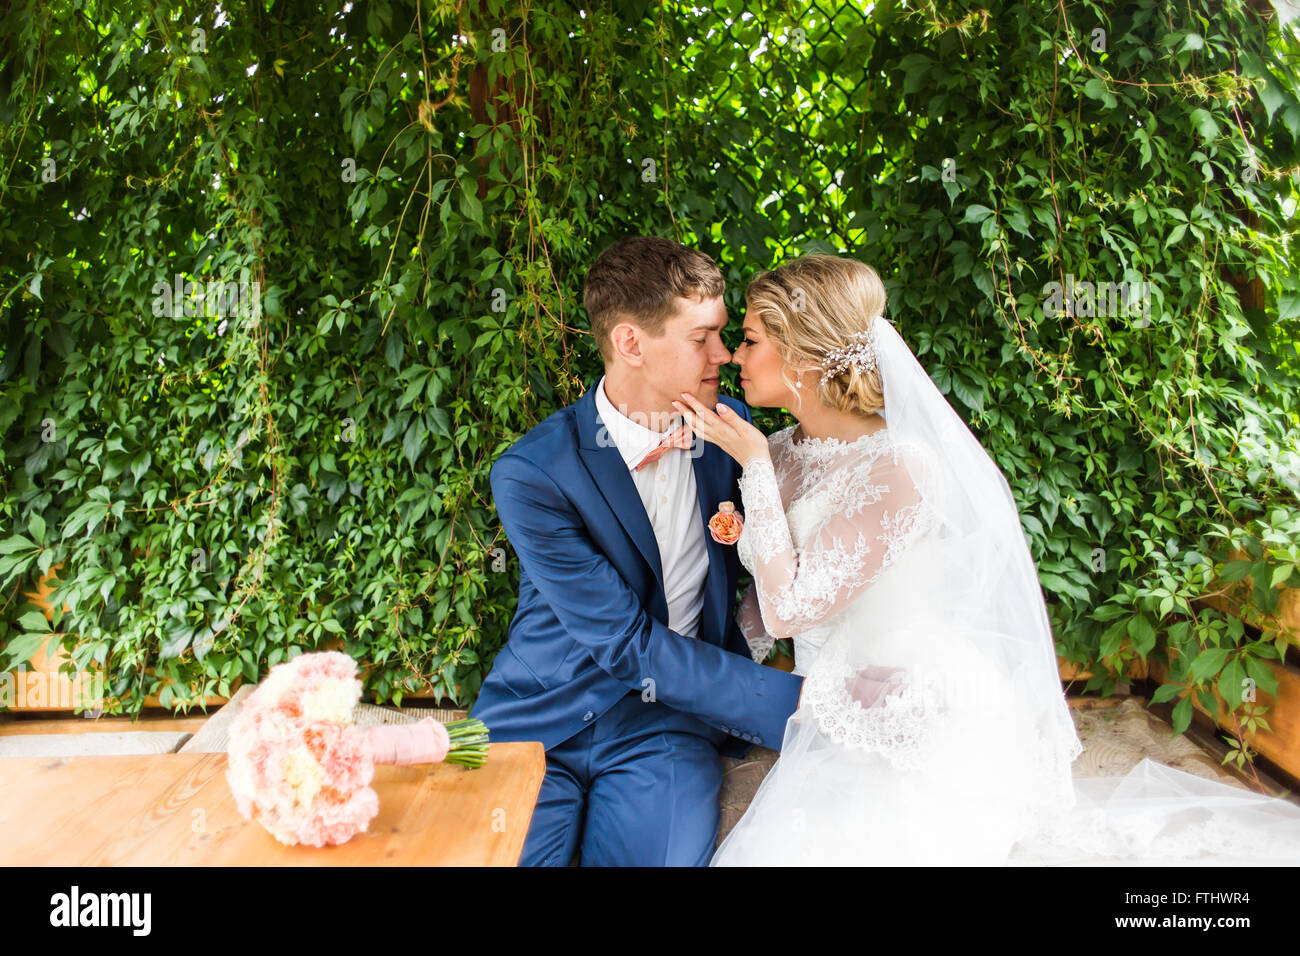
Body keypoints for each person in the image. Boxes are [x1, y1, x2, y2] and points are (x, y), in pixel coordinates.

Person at [665, 253, 1300, 866]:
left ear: (803, 351)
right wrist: (695, 683)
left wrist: (750, 467)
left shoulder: (897, 466)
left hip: (906, 704)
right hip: (828, 696)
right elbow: (757, 604)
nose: (733, 358)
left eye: (747, 340)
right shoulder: (780, 448)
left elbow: (789, 611)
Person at [470, 235, 808, 866]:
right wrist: (801, 705)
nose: (725, 355)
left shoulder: (730, 432)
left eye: (725, 334)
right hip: (542, 719)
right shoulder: (532, 473)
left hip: (670, 722)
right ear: (630, 343)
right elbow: (625, 641)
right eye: (701, 338)